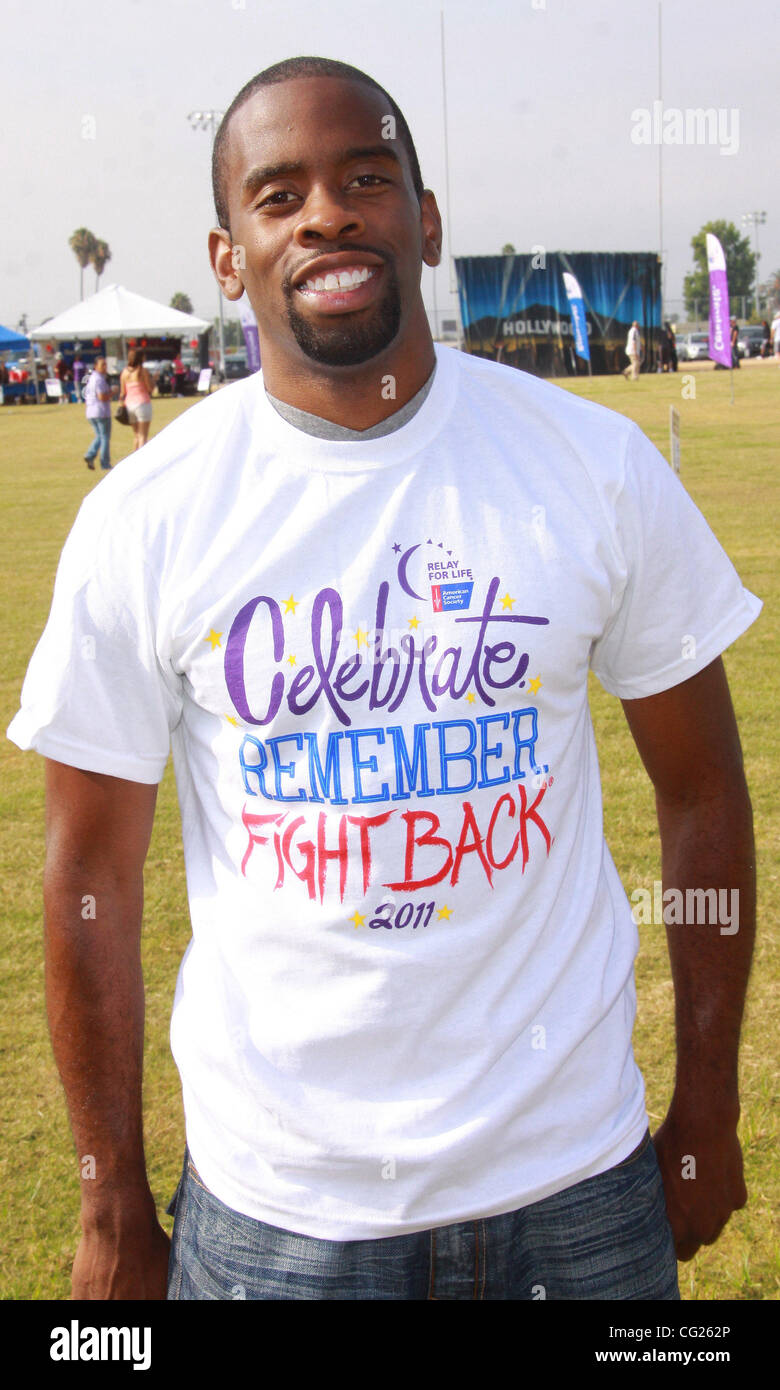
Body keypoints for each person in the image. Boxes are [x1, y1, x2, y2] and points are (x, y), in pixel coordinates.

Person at [8, 57, 760, 1303]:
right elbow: (89, 880)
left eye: (367, 178)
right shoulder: (146, 518)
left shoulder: (593, 465)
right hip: (281, 1219)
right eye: (278, 192)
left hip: (575, 1186)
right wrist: (108, 1189)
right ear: (227, 249)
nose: (326, 215)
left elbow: (704, 799)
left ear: (428, 219)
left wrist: (711, 1099)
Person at [119, 348, 154, 449]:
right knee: (143, 435)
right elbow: (149, 388)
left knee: (136, 436)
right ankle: (141, 460)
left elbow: (123, 392)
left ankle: (134, 457)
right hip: (142, 403)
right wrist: (153, 381)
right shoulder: (142, 371)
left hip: (129, 404)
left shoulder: (124, 372)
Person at [82, 356, 112, 471]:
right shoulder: (99, 379)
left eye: (105, 364)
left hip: (91, 411)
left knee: (99, 436)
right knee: (104, 437)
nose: (105, 367)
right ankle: (104, 463)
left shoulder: (91, 378)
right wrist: (112, 393)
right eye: (102, 365)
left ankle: (90, 454)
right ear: (96, 366)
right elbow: (102, 396)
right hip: (100, 411)